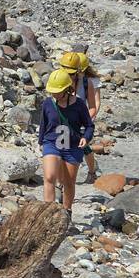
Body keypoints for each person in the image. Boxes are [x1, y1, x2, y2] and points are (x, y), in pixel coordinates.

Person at [39, 68, 94, 215]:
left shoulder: (80, 105)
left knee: (68, 182)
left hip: (73, 146)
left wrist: (86, 138)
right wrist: (41, 143)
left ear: (67, 89)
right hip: (52, 143)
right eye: (52, 91)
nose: (54, 94)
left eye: (57, 91)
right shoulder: (47, 104)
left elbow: (89, 125)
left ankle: (67, 211)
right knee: (50, 176)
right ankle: (47, 214)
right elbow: (43, 124)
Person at [59, 49, 102, 184]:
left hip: (83, 119)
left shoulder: (88, 82)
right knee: (63, 147)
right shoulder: (62, 79)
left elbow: (95, 103)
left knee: (83, 147)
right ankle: (63, 181)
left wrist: (87, 120)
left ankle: (91, 171)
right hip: (65, 121)